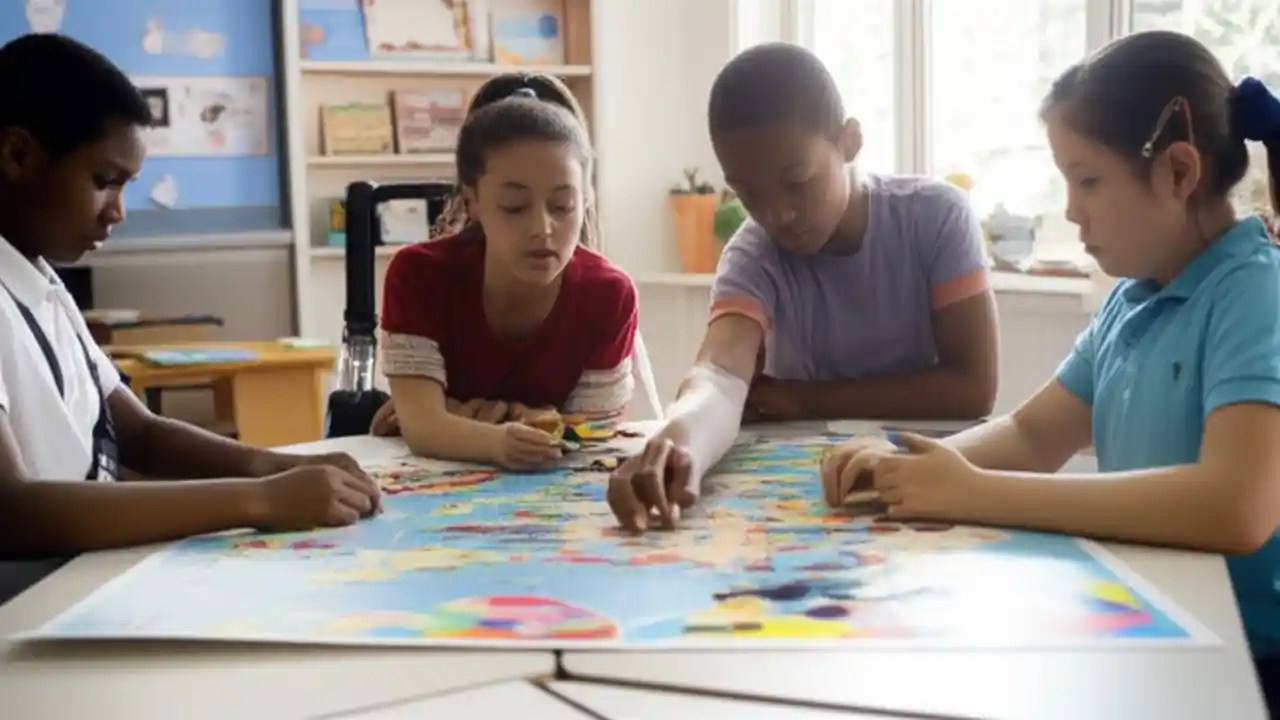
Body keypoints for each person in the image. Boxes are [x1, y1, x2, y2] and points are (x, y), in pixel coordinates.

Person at [820, 31, 1280, 713]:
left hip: (1246, 667)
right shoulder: (1134, 296)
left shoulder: (1254, 292)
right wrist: (906, 464)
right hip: (1155, 633)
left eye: (1088, 179)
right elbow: (1034, 434)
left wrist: (975, 494)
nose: (1070, 209)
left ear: (1179, 173)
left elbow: (1236, 508)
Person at [0, 35, 381, 585]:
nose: (118, 212)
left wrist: (277, 465)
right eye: (103, 181)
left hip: (81, 580)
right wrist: (258, 500)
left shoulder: (39, 276)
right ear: (16, 155)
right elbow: (11, 509)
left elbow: (140, 433)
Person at [607, 43, 998, 533]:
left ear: (849, 141)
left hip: (926, 480)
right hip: (809, 495)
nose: (776, 215)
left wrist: (808, 399)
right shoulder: (754, 253)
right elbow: (721, 374)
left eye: (795, 182)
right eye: (748, 194)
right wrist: (678, 437)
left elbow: (973, 389)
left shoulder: (937, 215)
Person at [377, 73, 637, 471]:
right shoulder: (420, 275)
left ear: (586, 200)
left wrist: (473, 419)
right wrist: (506, 436)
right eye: (514, 206)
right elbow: (421, 426)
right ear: (473, 201)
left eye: (562, 206)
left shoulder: (609, 293)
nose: (542, 228)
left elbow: (590, 436)